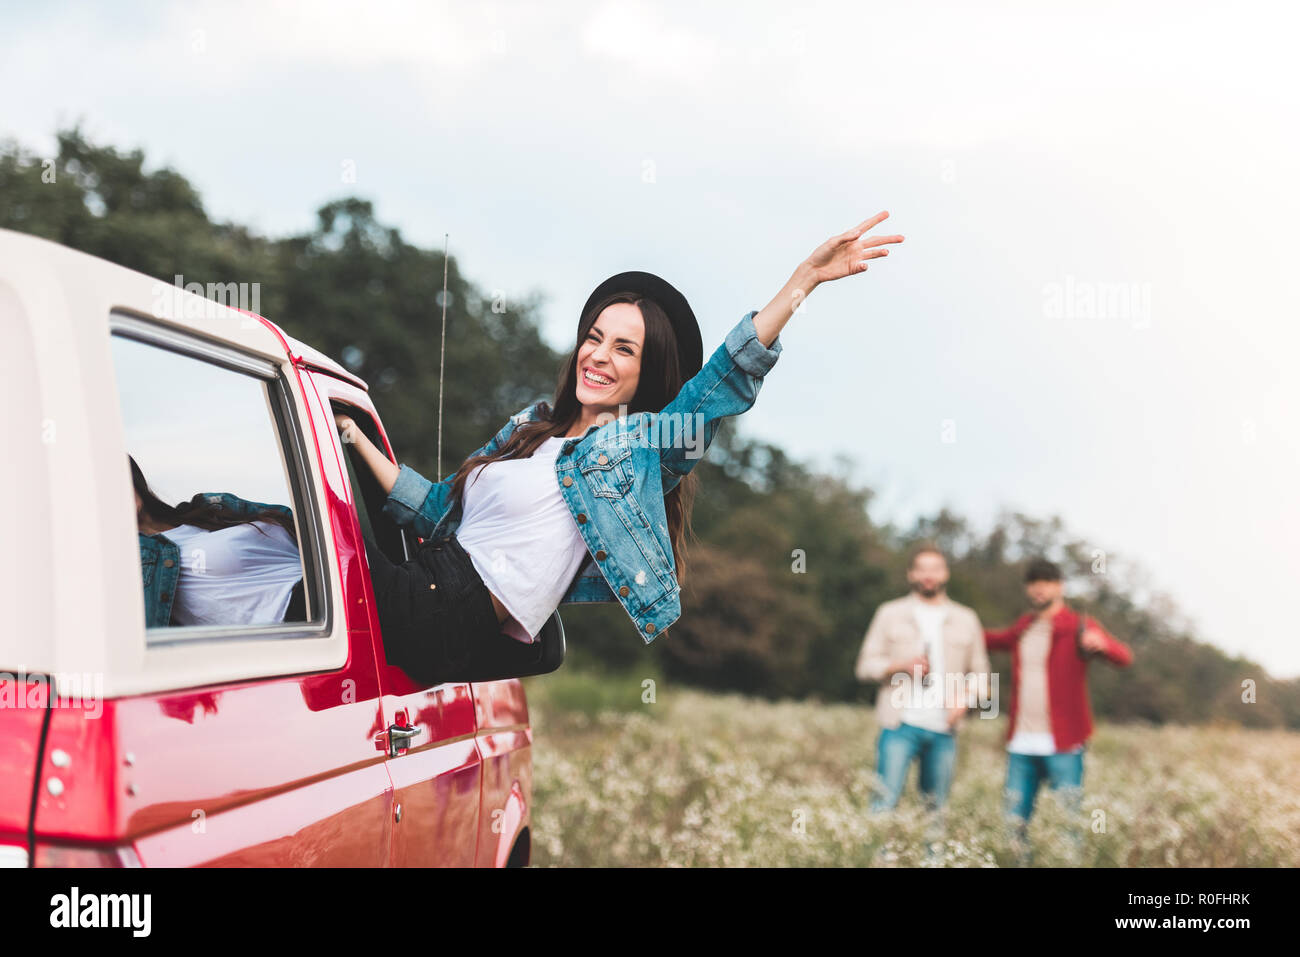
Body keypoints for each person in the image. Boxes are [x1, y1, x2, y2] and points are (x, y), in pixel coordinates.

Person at [339, 213, 905, 684]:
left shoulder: (638, 449)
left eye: (624, 349)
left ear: (647, 371)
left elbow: (724, 379)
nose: (600, 355)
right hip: (431, 575)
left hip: (451, 613)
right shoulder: (530, 426)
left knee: (318, 540)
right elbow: (438, 510)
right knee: (275, 535)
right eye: (594, 338)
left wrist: (804, 279)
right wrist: (353, 438)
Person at [983, 558, 1134, 843]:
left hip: (1064, 744)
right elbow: (993, 639)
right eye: (1034, 585)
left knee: (1068, 826)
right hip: (1021, 743)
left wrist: (1102, 644)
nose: (1039, 590)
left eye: (1046, 584)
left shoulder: (1080, 626)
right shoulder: (1023, 627)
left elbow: (1123, 657)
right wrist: (960, 629)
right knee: (1013, 827)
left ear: (1060, 587)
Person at [854, 544, 990, 814]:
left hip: (944, 730)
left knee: (935, 810)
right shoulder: (889, 613)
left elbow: (983, 674)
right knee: (883, 804)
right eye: (922, 569)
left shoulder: (966, 618)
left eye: (935, 569)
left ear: (946, 574)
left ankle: (931, 858)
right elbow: (864, 666)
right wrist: (899, 666)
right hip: (898, 724)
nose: (929, 575)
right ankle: (875, 857)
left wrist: (965, 699)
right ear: (911, 575)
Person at [130, 456, 304, 627]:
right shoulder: (139, 562)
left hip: (322, 571)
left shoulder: (208, 507)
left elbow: (304, 521)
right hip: (299, 616)